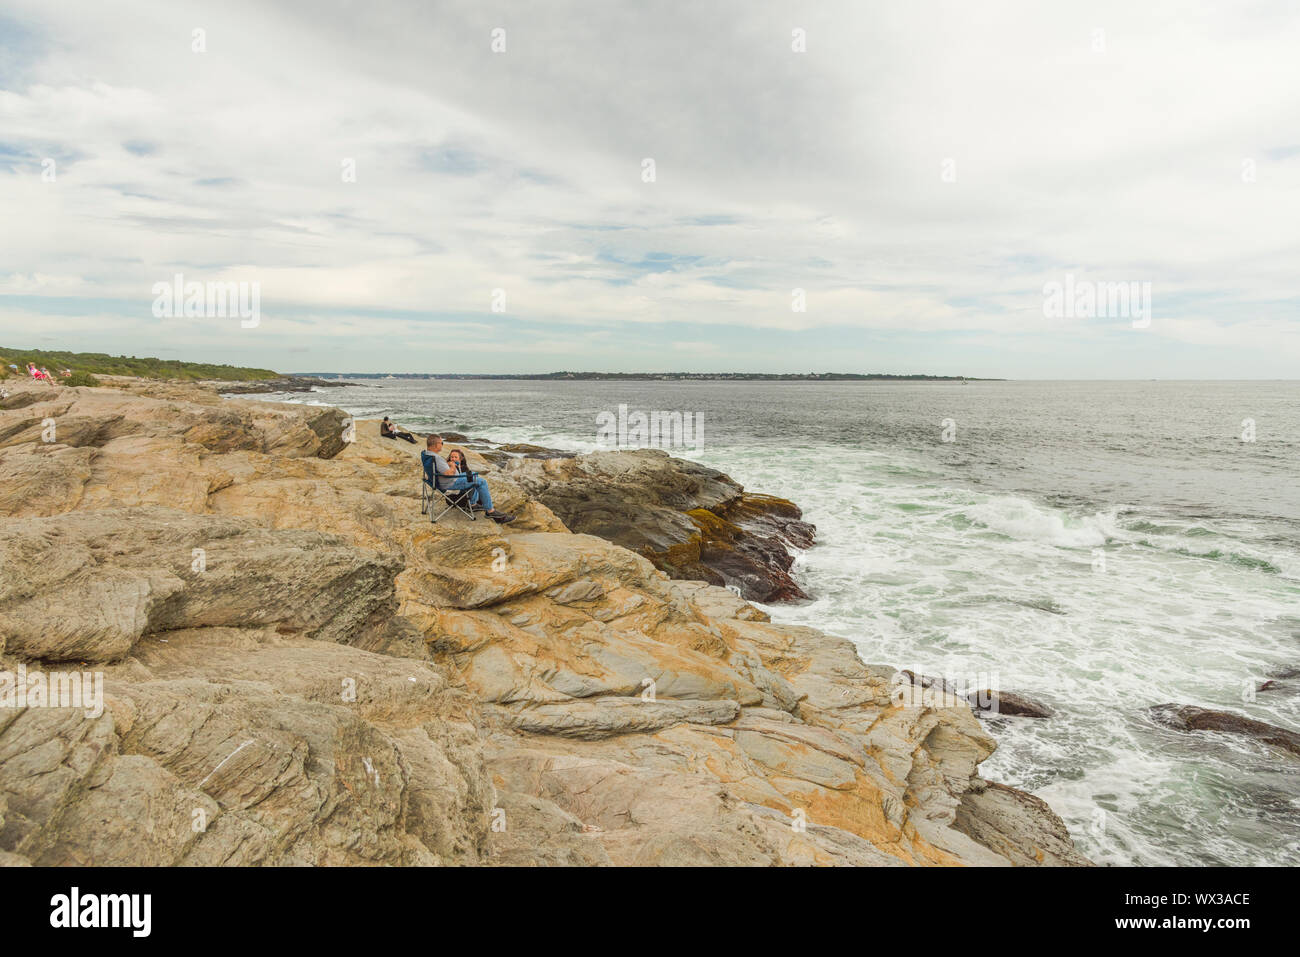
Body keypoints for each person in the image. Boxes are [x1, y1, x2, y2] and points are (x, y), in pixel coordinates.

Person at [422, 434, 514, 523]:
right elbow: (449, 473)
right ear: (436, 444)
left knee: (473, 475)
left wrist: (448, 465)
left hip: (440, 482)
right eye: (441, 443)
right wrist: (453, 465)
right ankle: (490, 511)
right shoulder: (436, 458)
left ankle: (473, 504)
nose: (442, 445)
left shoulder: (426, 455)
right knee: (482, 482)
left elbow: (442, 470)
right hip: (450, 483)